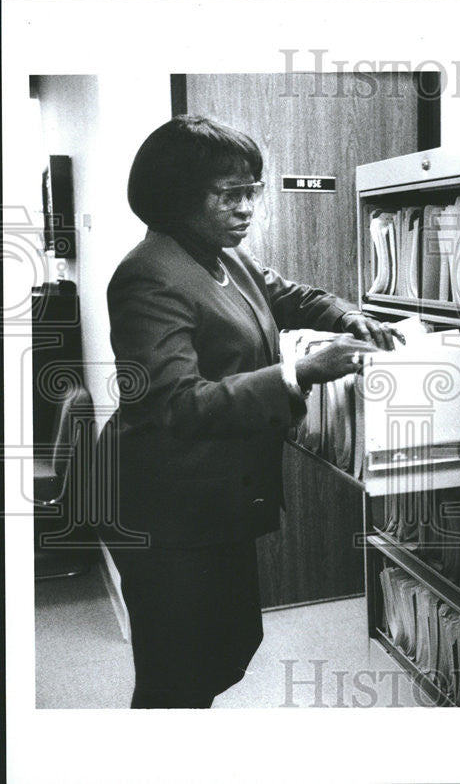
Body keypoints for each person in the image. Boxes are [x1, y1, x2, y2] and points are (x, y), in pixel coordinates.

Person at [105, 114, 399, 708]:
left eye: (251, 192)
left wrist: (346, 315)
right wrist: (300, 372)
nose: (246, 209)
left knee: (225, 646)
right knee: (175, 676)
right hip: (166, 510)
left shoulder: (224, 255)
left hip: (218, 499)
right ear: (177, 196)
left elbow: (290, 295)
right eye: (229, 194)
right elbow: (176, 403)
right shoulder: (148, 277)